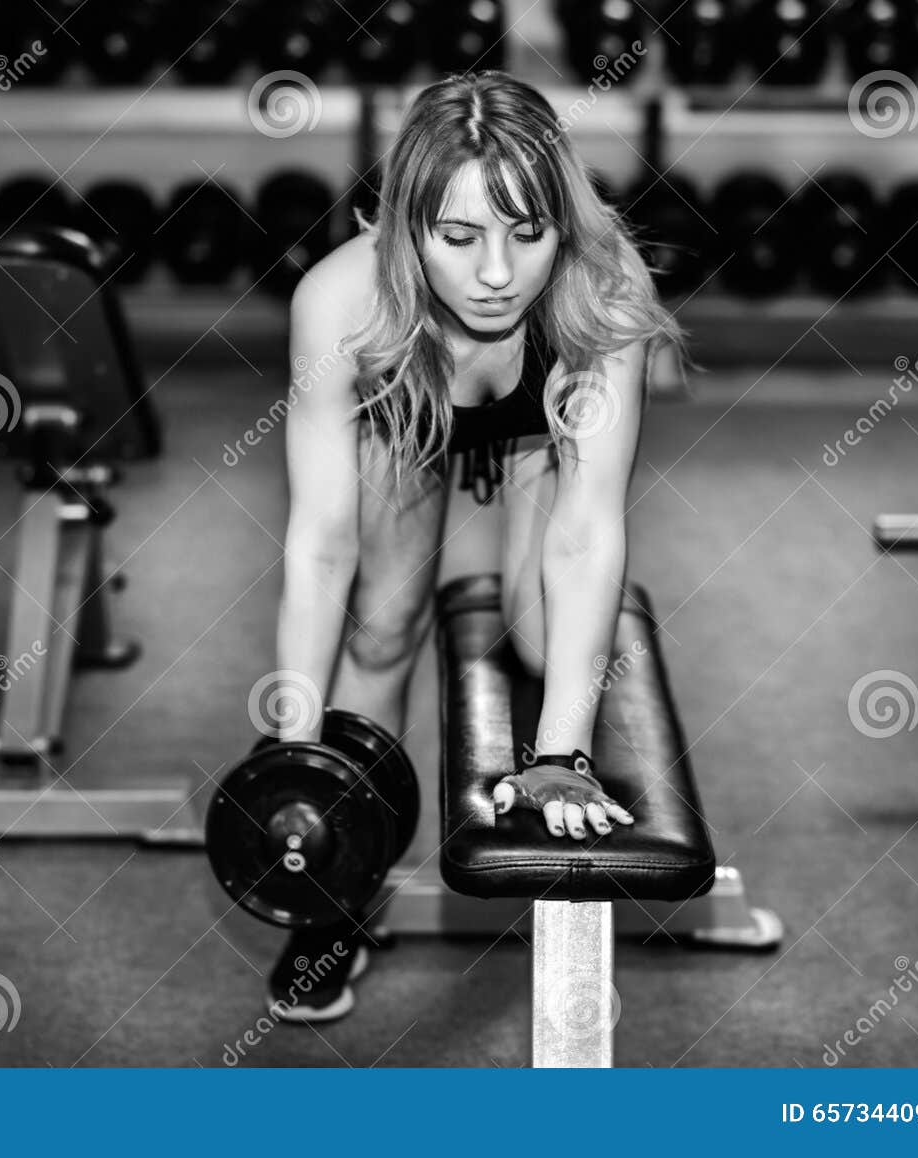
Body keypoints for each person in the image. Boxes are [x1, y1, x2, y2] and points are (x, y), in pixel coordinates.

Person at [263, 70, 684, 1021]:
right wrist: (296, 754)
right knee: (379, 630)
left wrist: (561, 756)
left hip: (540, 430)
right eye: (458, 238)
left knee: (546, 641)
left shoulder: (603, 286)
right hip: (408, 414)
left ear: (560, 228)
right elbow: (320, 541)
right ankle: (334, 902)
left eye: (526, 234)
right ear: (407, 228)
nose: (496, 274)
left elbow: (588, 530)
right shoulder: (342, 304)